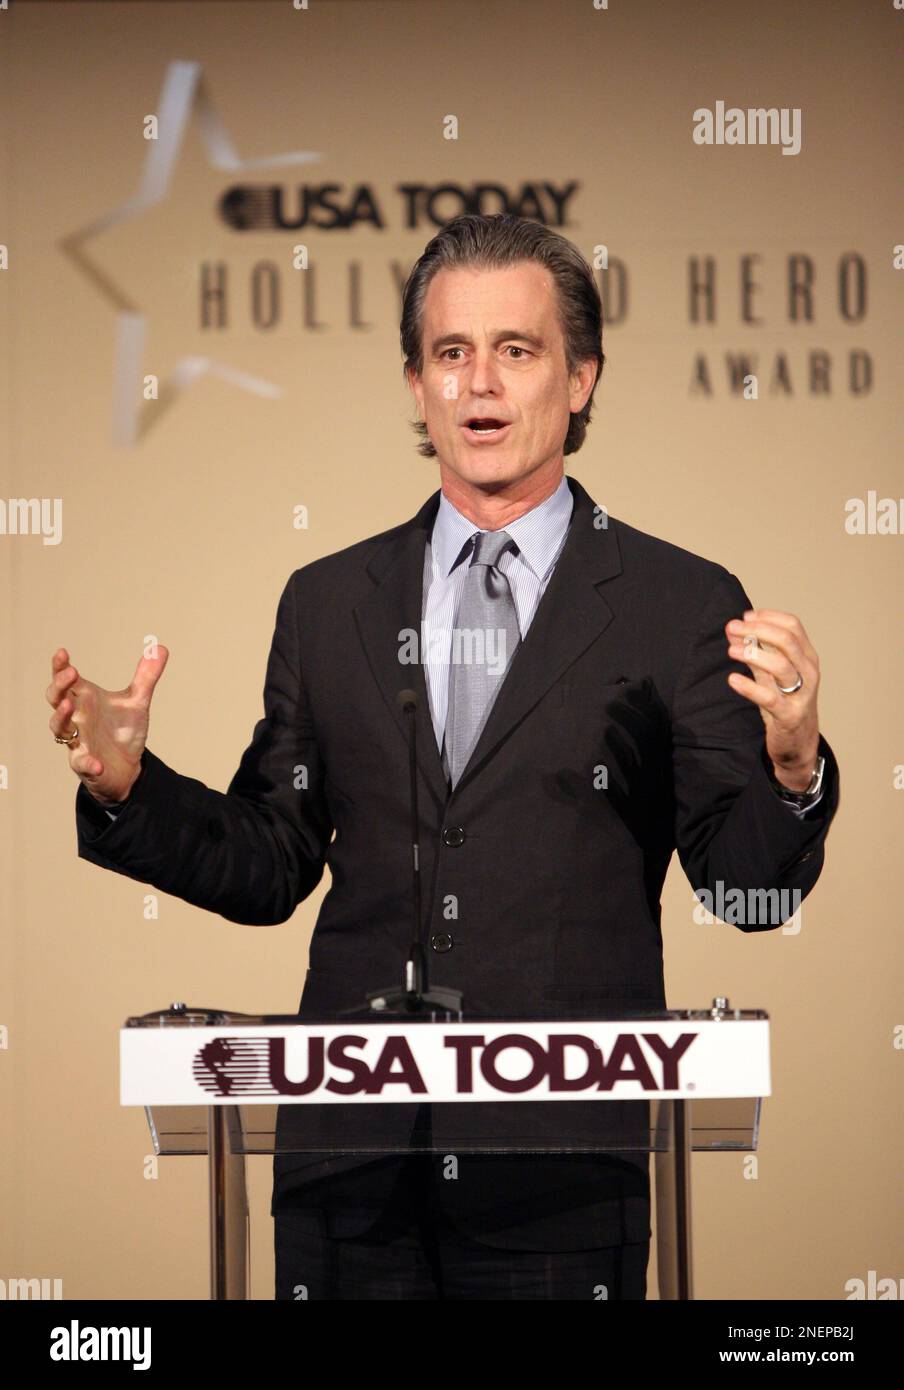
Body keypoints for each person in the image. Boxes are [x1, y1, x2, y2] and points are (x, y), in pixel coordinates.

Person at [47, 213, 839, 1300]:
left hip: (556, 1188)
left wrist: (791, 767)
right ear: (415, 383)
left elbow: (744, 891)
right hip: (349, 1178)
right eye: (452, 353)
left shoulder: (678, 603)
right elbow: (274, 860)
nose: (482, 382)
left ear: (581, 379)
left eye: (517, 351)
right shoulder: (330, 601)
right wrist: (132, 784)